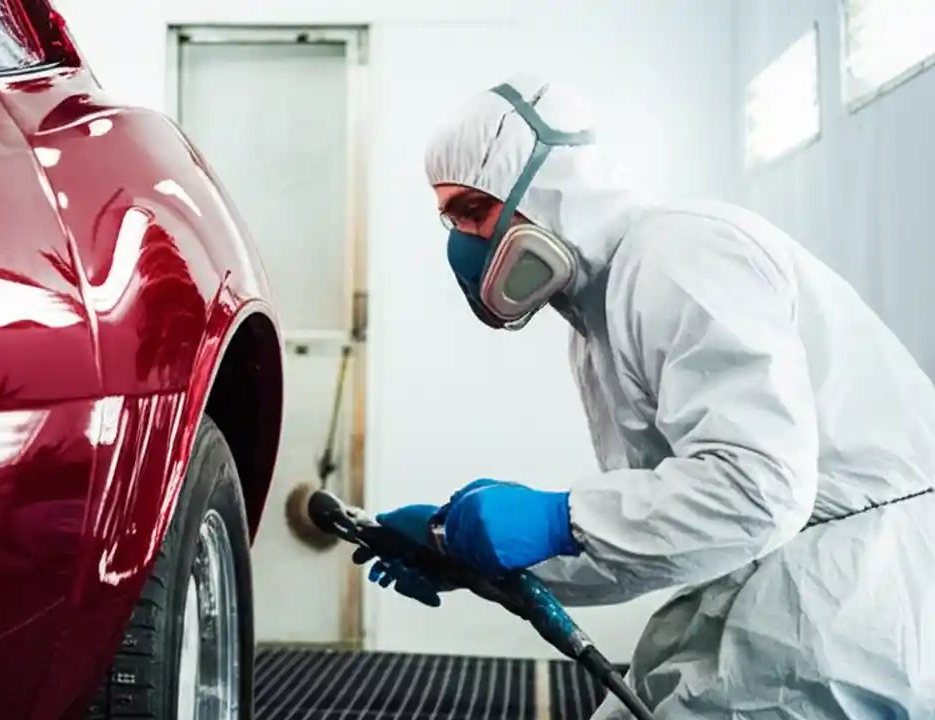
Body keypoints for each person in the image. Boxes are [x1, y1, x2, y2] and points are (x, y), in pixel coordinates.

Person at [356, 74, 935, 718]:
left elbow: (757, 489)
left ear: (546, 188)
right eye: (451, 220)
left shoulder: (677, 255)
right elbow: (665, 533)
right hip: (771, 581)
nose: (461, 243)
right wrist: (466, 558)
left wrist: (557, 518)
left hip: (856, 598)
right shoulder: (596, 322)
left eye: (472, 211)